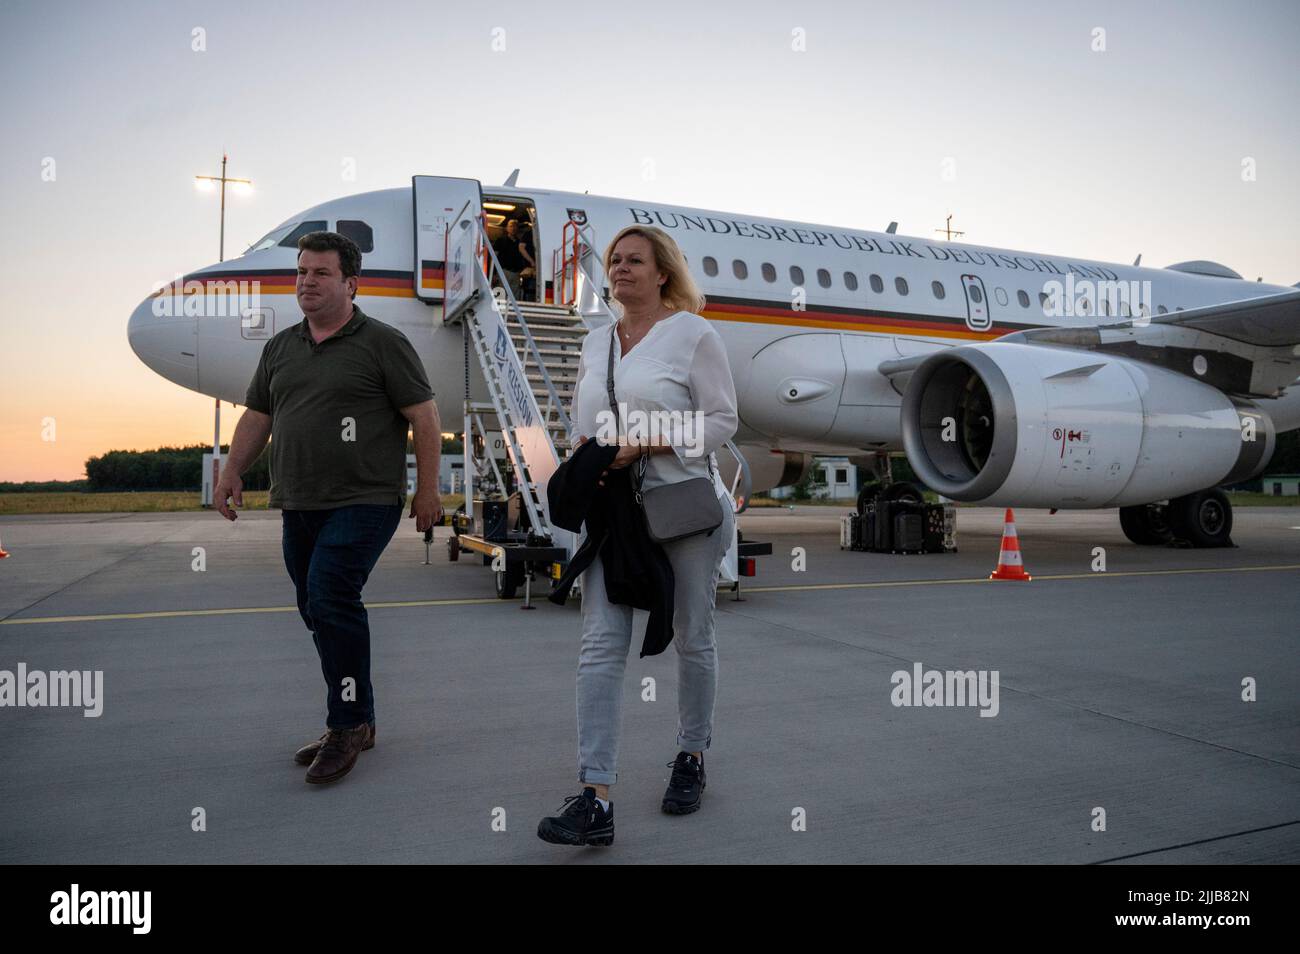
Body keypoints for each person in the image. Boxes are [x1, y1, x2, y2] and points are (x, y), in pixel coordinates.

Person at [214, 230, 443, 785]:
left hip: (366, 497)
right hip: (298, 500)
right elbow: (258, 416)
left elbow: (424, 416)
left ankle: (345, 726)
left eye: (320, 273)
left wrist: (429, 489)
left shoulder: (383, 343)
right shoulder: (281, 347)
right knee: (315, 608)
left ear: (350, 283)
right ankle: (360, 716)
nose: (306, 282)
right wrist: (231, 469)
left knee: (331, 594)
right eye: (301, 272)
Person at [537, 225, 738, 847]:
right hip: (617, 516)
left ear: (662, 273)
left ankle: (692, 755)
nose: (621, 269)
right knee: (599, 645)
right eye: (615, 261)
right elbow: (587, 425)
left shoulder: (693, 334)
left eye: (635, 261)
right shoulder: (596, 341)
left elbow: (722, 420)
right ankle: (595, 797)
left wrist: (645, 443)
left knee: (692, 636)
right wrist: (589, 456)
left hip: (684, 512)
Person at [491, 219, 528, 300]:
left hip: (516, 274)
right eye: (511, 226)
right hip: (503, 272)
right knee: (501, 295)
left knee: (515, 297)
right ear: (507, 228)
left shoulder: (520, 243)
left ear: (517, 229)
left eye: (515, 226)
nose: (513, 228)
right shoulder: (500, 240)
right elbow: (494, 257)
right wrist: (493, 273)